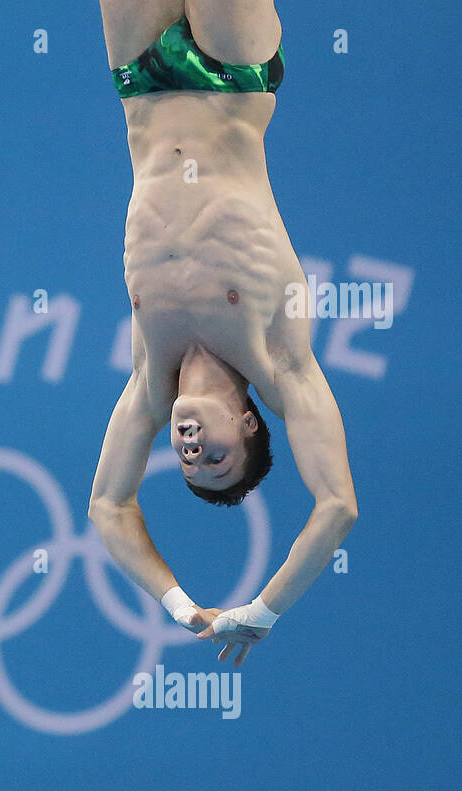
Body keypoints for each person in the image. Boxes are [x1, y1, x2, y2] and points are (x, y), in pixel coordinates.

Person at [87, 0, 358, 666]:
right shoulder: (281, 362)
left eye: (184, 463)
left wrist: (179, 604)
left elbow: (107, 504)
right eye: (215, 458)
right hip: (233, 78)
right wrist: (264, 610)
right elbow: (337, 507)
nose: (190, 449)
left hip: (141, 82)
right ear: (248, 425)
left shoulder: (150, 382)